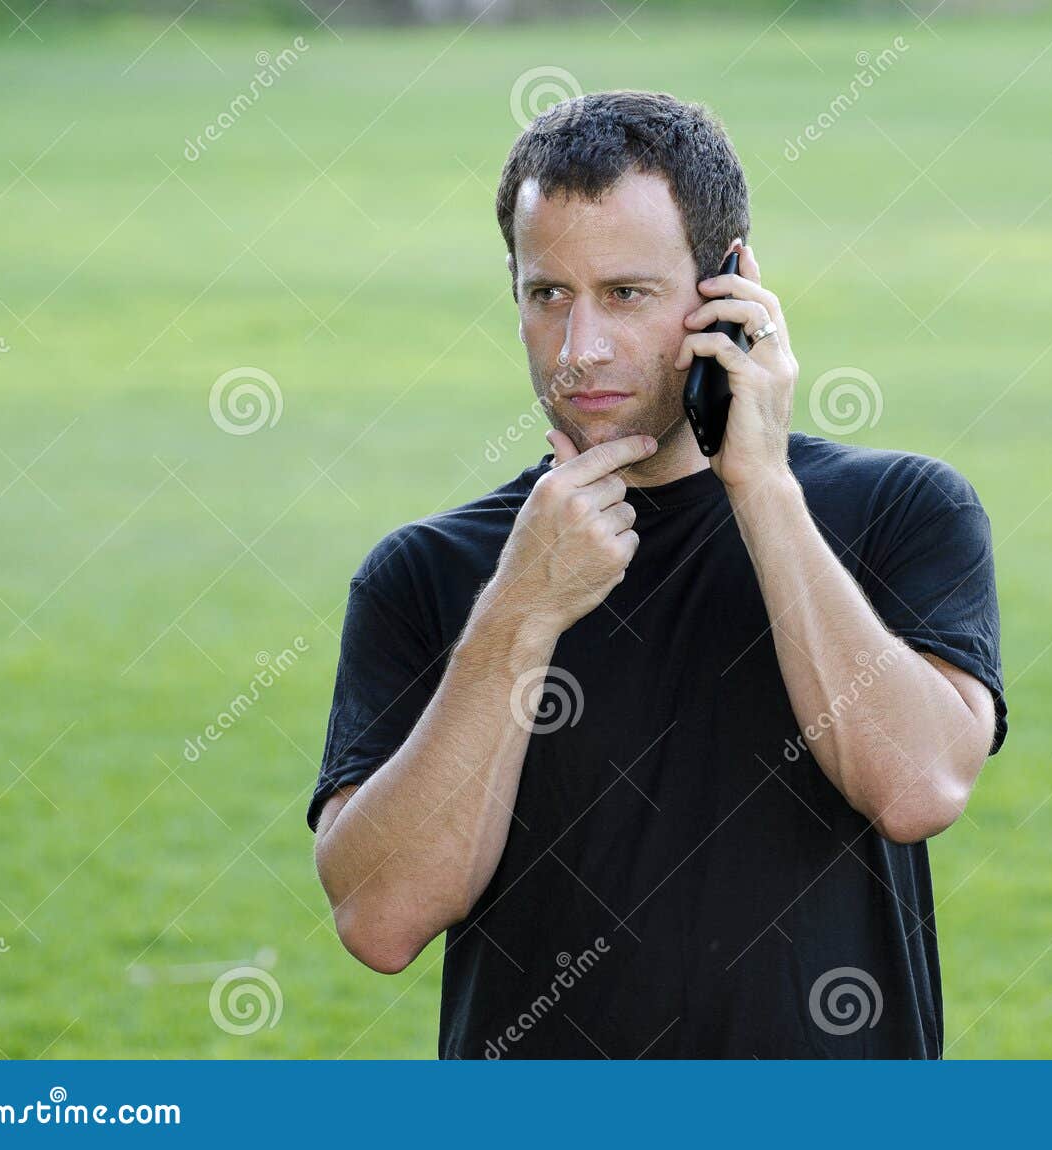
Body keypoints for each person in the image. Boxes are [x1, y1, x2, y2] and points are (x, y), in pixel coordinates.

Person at [307, 90, 1006, 1058]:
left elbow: (916, 785)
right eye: (547, 294)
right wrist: (518, 611)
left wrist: (760, 487)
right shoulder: (430, 572)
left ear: (727, 291)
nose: (579, 349)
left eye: (626, 295)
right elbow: (379, 919)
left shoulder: (899, 512)